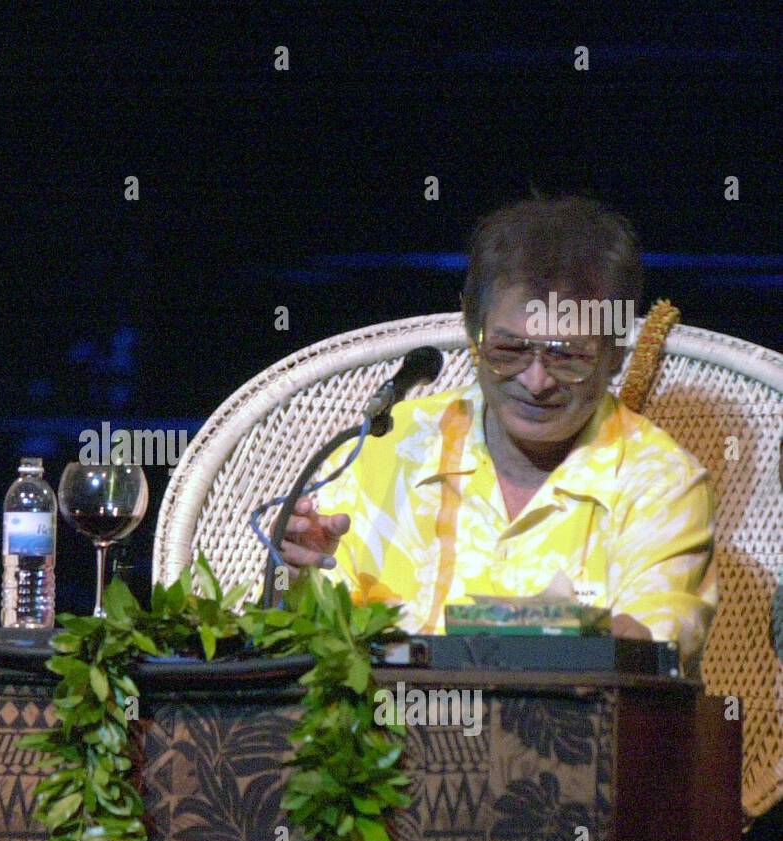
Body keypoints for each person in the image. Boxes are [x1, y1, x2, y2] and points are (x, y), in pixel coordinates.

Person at [280, 195, 716, 673]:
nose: (536, 381)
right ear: (474, 329)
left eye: (567, 357)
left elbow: (649, 656)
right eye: (509, 349)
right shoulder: (396, 442)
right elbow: (321, 649)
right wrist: (301, 580)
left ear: (615, 353)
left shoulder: (661, 481)